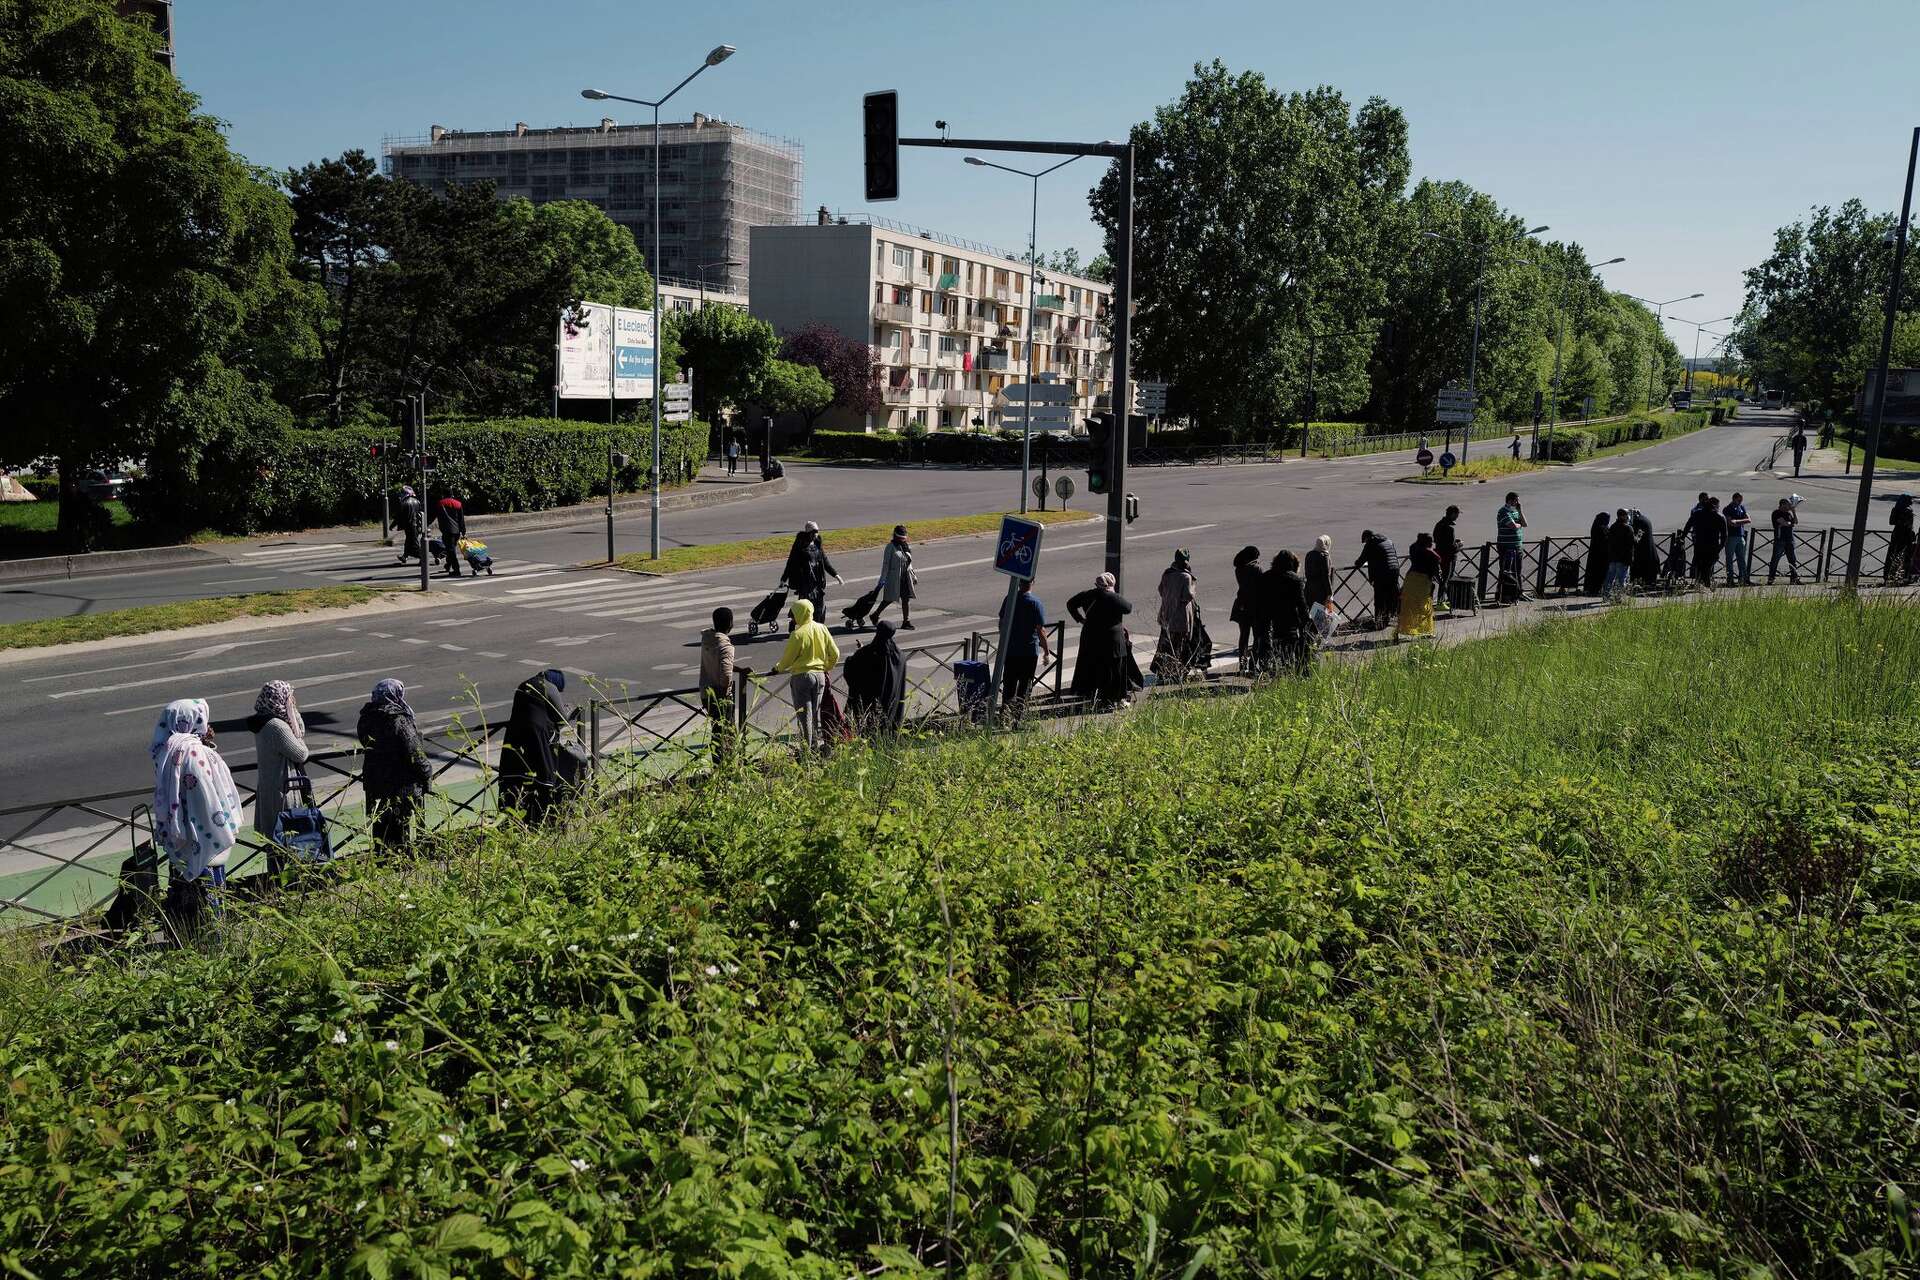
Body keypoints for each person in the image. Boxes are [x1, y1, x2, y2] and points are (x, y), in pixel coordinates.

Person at [150, 698, 241, 929]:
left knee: (184, 896)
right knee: (209, 899)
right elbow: (208, 795)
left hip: (180, 835)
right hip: (204, 837)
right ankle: (213, 940)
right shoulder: (194, 752)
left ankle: (185, 936)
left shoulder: (167, 749)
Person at [357, 678, 431, 851]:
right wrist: (427, 771)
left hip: (375, 783)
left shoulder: (366, 718)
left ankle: (383, 858)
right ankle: (402, 859)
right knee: (400, 827)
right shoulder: (398, 719)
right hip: (400, 785)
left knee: (381, 826)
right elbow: (414, 752)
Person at [500, 668, 572, 825]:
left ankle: (514, 816)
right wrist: (568, 709)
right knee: (543, 774)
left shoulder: (525, 684)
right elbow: (562, 718)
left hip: (515, 735)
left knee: (518, 775)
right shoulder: (550, 687)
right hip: (537, 738)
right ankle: (543, 816)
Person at [771, 597, 841, 748]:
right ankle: (815, 747)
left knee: (804, 718)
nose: (793, 619)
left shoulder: (797, 634)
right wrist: (826, 667)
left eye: (794, 615)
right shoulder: (822, 628)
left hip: (802, 678)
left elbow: (787, 660)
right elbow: (835, 654)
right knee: (814, 715)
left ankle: (806, 752)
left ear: (800, 614)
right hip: (820, 677)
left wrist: (777, 668)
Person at [248, 679, 310, 842]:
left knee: (274, 840)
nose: (292, 701)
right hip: (283, 789)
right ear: (280, 699)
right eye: (289, 698)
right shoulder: (277, 726)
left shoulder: (263, 720)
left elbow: (299, 731)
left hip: (270, 786)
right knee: (288, 838)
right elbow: (301, 753)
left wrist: (293, 712)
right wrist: (292, 711)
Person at [1067, 572, 1138, 709]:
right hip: (1111, 640)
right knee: (1113, 670)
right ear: (1111, 584)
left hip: (1090, 638)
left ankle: (1094, 698)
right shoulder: (1113, 597)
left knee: (1094, 667)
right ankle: (1113, 700)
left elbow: (1070, 604)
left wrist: (1080, 619)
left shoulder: (1087, 595)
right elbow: (1128, 608)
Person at [997, 577, 1050, 721]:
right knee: (1025, 686)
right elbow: (1040, 630)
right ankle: (1018, 718)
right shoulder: (1035, 602)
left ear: (1019, 583)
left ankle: (1004, 716)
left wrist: (1005, 639)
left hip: (1011, 650)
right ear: (1032, 583)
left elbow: (1002, 622)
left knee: (1009, 684)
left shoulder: (1009, 598)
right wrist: (1046, 652)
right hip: (1028, 651)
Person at [843, 618, 908, 733]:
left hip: (870, 705)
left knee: (870, 732)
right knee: (888, 733)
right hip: (892, 705)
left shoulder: (867, 653)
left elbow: (851, 667)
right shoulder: (899, 655)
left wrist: (860, 650)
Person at [1152, 549, 1206, 681]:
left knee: (1166, 645)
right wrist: (1193, 583)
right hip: (1180, 617)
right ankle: (1176, 673)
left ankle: (1163, 671)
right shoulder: (1186, 577)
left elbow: (1161, 590)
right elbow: (1188, 595)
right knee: (1179, 645)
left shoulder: (1167, 573)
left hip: (1166, 614)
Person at [779, 521, 842, 622]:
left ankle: (818, 626)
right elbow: (791, 562)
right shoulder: (800, 544)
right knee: (805, 608)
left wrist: (836, 575)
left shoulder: (817, 543)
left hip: (817, 582)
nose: (816, 534)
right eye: (814, 532)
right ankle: (797, 625)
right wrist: (784, 578)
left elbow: (825, 561)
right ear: (808, 532)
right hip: (805, 583)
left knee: (820, 608)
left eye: (817, 532)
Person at [1263, 550, 1312, 674]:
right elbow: (1301, 603)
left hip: (1271, 617)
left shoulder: (1266, 576)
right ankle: (1294, 671)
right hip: (1290, 619)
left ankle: (1277, 669)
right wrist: (1306, 619)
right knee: (1292, 647)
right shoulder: (1295, 579)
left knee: (1277, 646)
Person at [701, 607, 739, 755]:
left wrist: (739, 669)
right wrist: (723, 697)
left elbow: (717, 663)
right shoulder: (726, 646)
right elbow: (726, 674)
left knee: (716, 732)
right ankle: (725, 764)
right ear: (730, 623)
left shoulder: (707, 640)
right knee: (726, 733)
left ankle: (718, 763)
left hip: (706, 693)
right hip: (720, 696)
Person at [872, 525, 916, 629]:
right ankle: (875, 615)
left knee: (906, 599)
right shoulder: (890, 547)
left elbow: (908, 562)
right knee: (889, 599)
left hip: (905, 577)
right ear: (895, 536)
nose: (902, 540)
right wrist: (882, 580)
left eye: (904, 538)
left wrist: (913, 575)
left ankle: (906, 621)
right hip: (894, 578)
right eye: (900, 538)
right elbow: (886, 564)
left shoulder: (906, 546)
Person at [1354, 529, 1399, 628]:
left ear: (1367, 538)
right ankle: (1388, 619)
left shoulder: (1371, 543)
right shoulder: (1388, 541)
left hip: (1382, 573)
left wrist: (1357, 563)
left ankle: (1379, 623)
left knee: (1379, 598)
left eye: (1365, 541)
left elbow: (1361, 560)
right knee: (1390, 596)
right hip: (1395, 571)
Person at [1398, 533, 1439, 638]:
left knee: (1409, 606)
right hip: (1422, 581)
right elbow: (1436, 570)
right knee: (1425, 606)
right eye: (1431, 542)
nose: (1432, 544)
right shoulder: (1431, 554)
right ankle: (1426, 631)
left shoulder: (1413, 548)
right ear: (1427, 542)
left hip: (1410, 578)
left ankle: (1406, 629)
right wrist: (1442, 582)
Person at [1230, 546, 1263, 662]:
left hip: (1242, 604)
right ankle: (1253, 662)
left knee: (1244, 636)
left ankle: (1242, 661)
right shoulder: (1256, 569)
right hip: (1254, 606)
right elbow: (1261, 586)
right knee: (1257, 636)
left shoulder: (1239, 569)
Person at [1685, 497, 1725, 586]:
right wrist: (1720, 547)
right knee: (1708, 564)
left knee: (1700, 564)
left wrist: (1682, 537)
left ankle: (1699, 582)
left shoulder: (1696, 514)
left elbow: (1688, 526)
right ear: (1715, 506)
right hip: (1713, 545)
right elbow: (1724, 535)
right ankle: (1705, 582)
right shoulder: (1720, 517)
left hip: (1699, 544)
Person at [1496, 492, 1527, 603]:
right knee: (1506, 571)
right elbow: (1513, 526)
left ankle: (1519, 593)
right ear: (1510, 500)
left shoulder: (1515, 511)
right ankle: (1503, 595)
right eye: (1516, 500)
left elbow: (1525, 524)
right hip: (1507, 546)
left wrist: (1520, 511)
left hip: (1517, 545)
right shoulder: (1503, 511)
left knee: (1517, 571)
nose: (1518, 502)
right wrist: (1519, 524)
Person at [1768, 496, 1801, 584]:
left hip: (1789, 539)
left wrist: (1793, 512)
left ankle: (1794, 578)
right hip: (1780, 539)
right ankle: (1771, 578)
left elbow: (1795, 522)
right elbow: (1784, 523)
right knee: (1775, 559)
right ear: (1782, 504)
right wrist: (1789, 523)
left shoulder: (1788, 513)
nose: (1789, 506)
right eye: (1788, 505)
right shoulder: (1776, 513)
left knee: (1792, 560)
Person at [1723, 492, 1754, 586]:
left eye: (1741, 500)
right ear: (1734, 499)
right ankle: (1730, 580)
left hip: (1740, 536)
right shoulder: (1727, 509)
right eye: (1739, 500)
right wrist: (1740, 522)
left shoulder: (1741, 507)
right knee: (1729, 559)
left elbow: (1749, 519)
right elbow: (1730, 523)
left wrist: (1737, 521)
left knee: (1741, 559)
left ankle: (1742, 579)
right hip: (1731, 536)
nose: (1740, 502)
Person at [1432, 507, 1461, 605]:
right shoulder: (1450, 528)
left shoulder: (1438, 524)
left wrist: (1453, 542)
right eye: (1457, 514)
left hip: (1439, 555)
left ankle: (1444, 600)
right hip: (1449, 557)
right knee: (1446, 579)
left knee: (1442, 579)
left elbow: (1436, 539)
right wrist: (1459, 545)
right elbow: (1452, 548)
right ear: (1453, 514)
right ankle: (1442, 601)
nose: (1457, 517)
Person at [435, 494, 467, 578]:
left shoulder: (441, 503)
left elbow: (436, 515)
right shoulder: (458, 503)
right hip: (456, 531)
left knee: (451, 550)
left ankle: (456, 570)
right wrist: (463, 531)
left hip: (447, 530)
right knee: (450, 549)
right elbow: (461, 519)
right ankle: (448, 565)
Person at [1628, 508, 1660, 587]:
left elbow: (1637, 538)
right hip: (1651, 554)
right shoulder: (1645, 519)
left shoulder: (1639, 522)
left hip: (1643, 556)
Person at [1889, 494, 1916, 584]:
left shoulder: (1896, 509)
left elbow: (1891, 522)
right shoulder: (1907, 511)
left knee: (1894, 555)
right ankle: (1904, 577)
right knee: (1906, 557)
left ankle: (1890, 575)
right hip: (1905, 536)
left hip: (1897, 534)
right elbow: (1909, 525)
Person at [1583, 512, 1611, 596]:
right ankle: (1597, 589)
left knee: (1594, 571)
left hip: (1595, 553)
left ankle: (1592, 589)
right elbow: (1605, 539)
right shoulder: (1602, 528)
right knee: (1599, 572)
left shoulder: (1596, 526)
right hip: (1601, 554)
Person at [1304, 535, 1334, 610]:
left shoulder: (1309, 554)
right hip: (1320, 591)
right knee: (1320, 612)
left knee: (1311, 611)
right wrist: (1330, 593)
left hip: (1309, 589)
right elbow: (1326, 576)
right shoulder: (1324, 556)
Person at [396, 486, 424, 565]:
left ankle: (423, 558)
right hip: (417, 524)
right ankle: (405, 556)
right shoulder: (417, 501)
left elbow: (399, 515)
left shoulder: (404, 502)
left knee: (414, 543)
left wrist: (393, 525)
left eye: (402, 492)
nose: (401, 494)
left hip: (409, 525)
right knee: (408, 541)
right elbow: (419, 512)